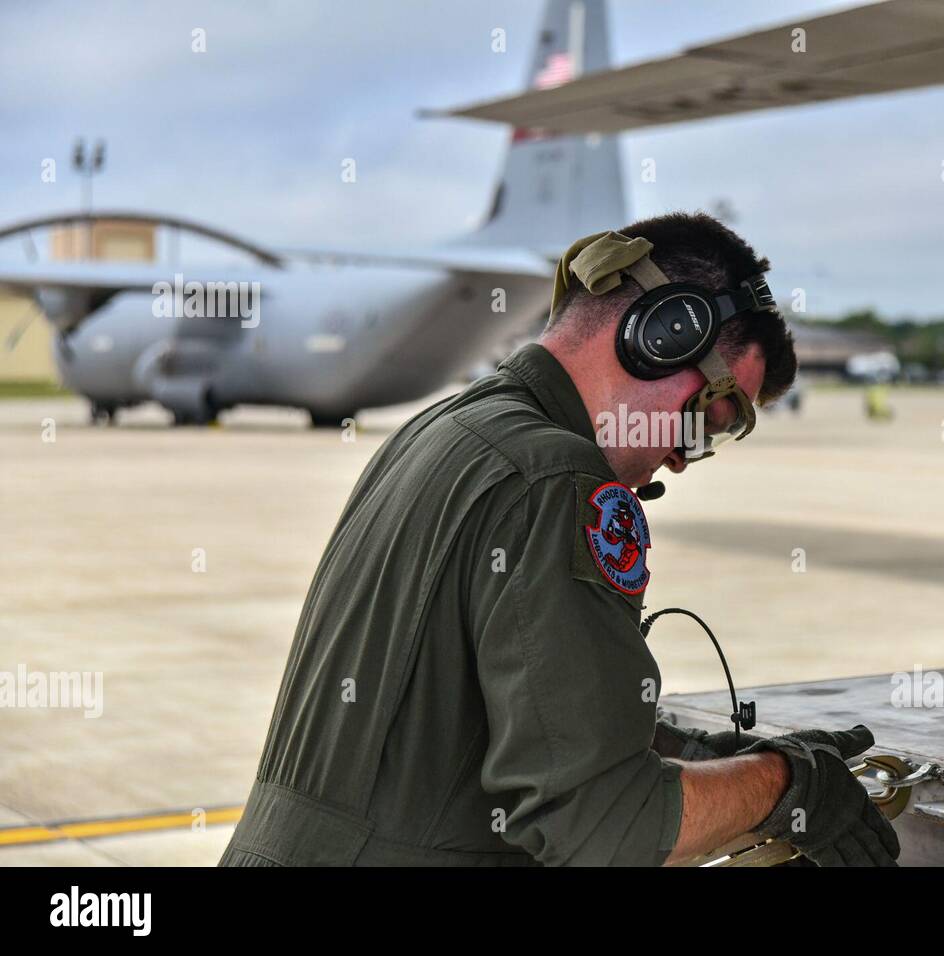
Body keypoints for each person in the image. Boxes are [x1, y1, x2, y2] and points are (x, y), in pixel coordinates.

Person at [220, 212, 899, 867]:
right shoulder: (558, 479)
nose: (683, 459)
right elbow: (598, 828)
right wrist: (788, 786)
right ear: (660, 334)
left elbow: (458, 719)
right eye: (707, 419)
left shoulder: (445, 433)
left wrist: (708, 757)